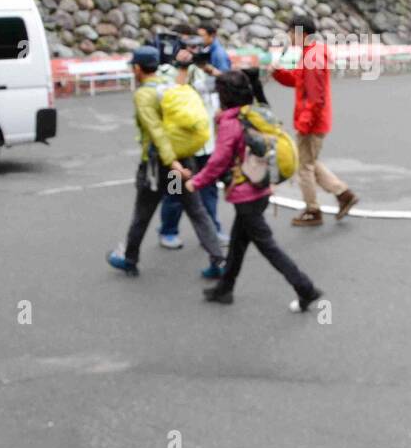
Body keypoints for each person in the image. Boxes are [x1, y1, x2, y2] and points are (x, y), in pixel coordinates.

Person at [188, 70, 322, 312]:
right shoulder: (254, 114)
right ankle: (225, 288)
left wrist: (195, 182)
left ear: (224, 96)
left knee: (267, 246)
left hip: (246, 194)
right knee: (239, 242)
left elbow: (219, 161)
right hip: (261, 187)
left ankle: (305, 288)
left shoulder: (231, 123)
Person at [107, 46, 226, 278]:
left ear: (138, 68)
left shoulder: (144, 94)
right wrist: (179, 165)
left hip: (159, 166)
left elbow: (156, 131)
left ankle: (129, 259)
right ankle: (218, 259)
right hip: (183, 161)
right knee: (196, 210)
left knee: (143, 212)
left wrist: (172, 164)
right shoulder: (167, 84)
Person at [271, 13, 358, 226]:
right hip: (313, 119)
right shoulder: (311, 54)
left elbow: (315, 97)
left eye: (291, 33)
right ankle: (342, 193)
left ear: (301, 33)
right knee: (309, 161)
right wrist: (278, 73)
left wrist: (305, 123)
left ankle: (313, 209)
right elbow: (300, 82)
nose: (290, 38)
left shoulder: (313, 57)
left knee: (305, 167)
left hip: (311, 121)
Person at [158, 25, 225, 250]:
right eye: (189, 48)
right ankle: (168, 230)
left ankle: (213, 229)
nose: (193, 52)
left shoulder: (202, 70)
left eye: (197, 48)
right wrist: (183, 68)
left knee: (209, 189)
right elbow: (172, 97)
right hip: (181, 147)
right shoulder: (167, 71)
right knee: (175, 190)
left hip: (206, 143)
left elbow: (222, 88)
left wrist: (210, 69)